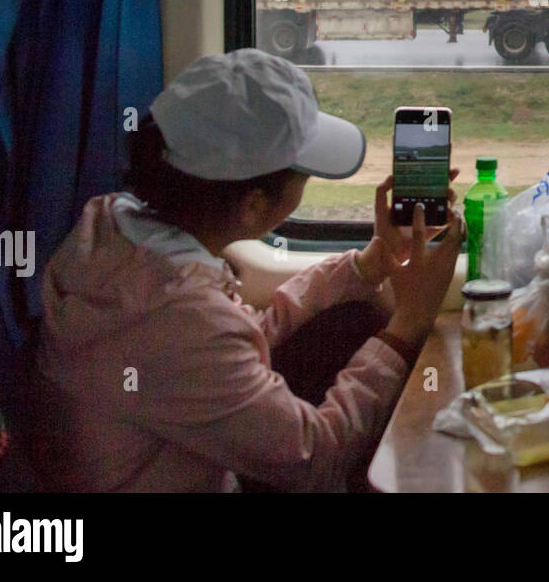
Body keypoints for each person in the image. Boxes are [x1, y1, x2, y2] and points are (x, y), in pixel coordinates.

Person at [29, 49, 461, 492]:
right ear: (253, 206)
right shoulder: (181, 317)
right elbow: (318, 457)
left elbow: (236, 334)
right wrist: (409, 323)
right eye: (304, 179)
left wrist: (370, 264)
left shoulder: (113, 224)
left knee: (354, 320)